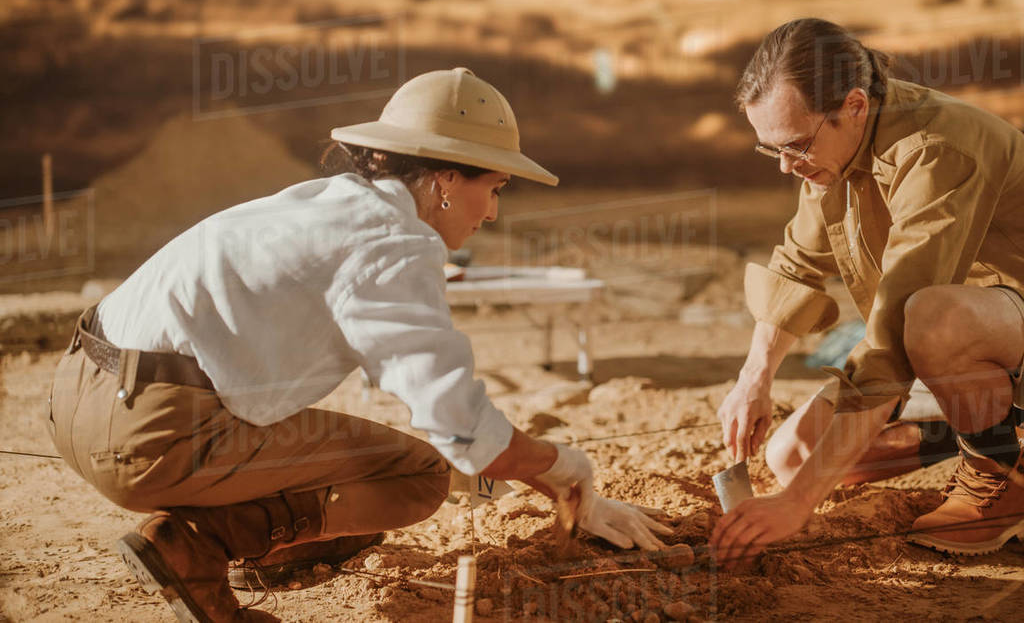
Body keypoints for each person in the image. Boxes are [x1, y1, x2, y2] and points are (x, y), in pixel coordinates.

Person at [47, 68, 670, 622]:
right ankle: (195, 548)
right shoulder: (393, 244)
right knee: (416, 473)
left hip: (76, 398)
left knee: (343, 444)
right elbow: (460, 429)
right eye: (497, 188)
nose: (493, 214)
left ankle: (268, 548)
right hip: (143, 435)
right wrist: (565, 471)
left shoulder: (325, 203)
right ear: (448, 180)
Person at [711, 19, 1024, 565]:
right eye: (772, 151)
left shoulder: (935, 146)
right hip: (981, 346)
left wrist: (796, 504)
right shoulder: (831, 155)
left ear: (854, 105)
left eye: (795, 146)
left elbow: (895, 333)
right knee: (794, 454)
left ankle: (1000, 475)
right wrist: (754, 378)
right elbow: (797, 263)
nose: (788, 167)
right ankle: (1018, 432)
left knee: (930, 317)